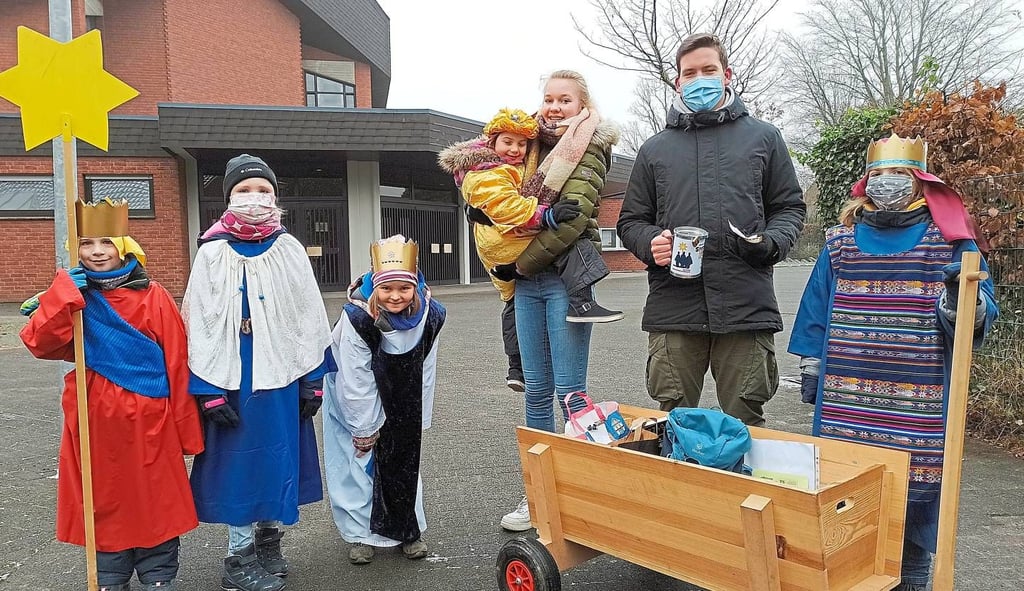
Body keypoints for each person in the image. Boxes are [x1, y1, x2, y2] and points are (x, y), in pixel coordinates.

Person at [789, 134, 998, 591]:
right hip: (845, 409)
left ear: (921, 183)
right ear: (867, 182)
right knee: (846, 516)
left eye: (899, 175)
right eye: (880, 175)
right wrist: (811, 365)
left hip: (916, 415)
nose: (888, 184)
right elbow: (815, 307)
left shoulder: (950, 243)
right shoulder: (840, 243)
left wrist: (963, 304)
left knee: (911, 523)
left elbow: (976, 309)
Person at [616, 33, 805, 427]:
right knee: (674, 421)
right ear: (677, 82)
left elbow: (789, 208)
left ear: (726, 74)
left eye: (709, 70)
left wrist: (769, 243)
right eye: (690, 73)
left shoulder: (764, 138)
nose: (699, 79)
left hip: (745, 306)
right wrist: (651, 243)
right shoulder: (655, 149)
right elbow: (630, 220)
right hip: (674, 308)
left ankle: (744, 489)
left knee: (745, 421)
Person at [19, 199, 203, 591]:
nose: (97, 251)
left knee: (155, 500)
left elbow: (177, 361)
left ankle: (158, 578)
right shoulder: (74, 296)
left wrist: (186, 430)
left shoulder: (154, 295)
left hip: (150, 418)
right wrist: (63, 295)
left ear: (124, 245)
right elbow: (40, 343)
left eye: (106, 241)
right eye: (87, 243)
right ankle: (108, 579)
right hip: (93, 419)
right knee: (102, 500)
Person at [182, 154, 334, 591]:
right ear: (228, 198)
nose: (254, 199)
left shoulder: (288, 248)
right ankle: (238, 559)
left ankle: (269, 542)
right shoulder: (212, 252)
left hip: (283, 379)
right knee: (239, 468)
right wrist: (208, 391)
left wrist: (313, 381)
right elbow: (200, 323)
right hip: (233, 380)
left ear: (275, 196)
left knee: (277, 461)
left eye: (263, 190)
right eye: (244, 191)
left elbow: (306, 315)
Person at [495, 70, 621, 532]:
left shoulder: (589, 146)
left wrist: (519, 264)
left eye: (564, 99)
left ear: (582, 105)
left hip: (562, 281)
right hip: (527, 284)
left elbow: (571, 222)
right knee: (536, 394)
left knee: (571, 393)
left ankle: (578, 493)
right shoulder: (523, 144)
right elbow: (499, 202)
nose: (553, 106)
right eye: (548, 98)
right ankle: (537, 495)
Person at [439, 107, 622, 391]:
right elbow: (508, 208)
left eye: (521, 144)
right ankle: (581, 302)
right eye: (507, 142)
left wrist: (480, 212)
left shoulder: (499, 165)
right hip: (509, 242)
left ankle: (516, 366)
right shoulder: (488, 170)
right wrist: (545, 215)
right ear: (491, 142)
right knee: (571, 248)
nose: (515, 149)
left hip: (503, 245)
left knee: (511, 303)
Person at [322, 235, 445, 565]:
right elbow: (354, 375)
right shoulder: (357, 318)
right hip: (354, 393)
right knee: (359, 462)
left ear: (415, 287)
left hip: (404, 395)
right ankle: (361, 533)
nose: (395, 297)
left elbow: (427, 364)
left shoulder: (431, 315)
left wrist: (420, 414)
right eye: (386, 289)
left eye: (403, 289)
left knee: (405, 460)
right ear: (374, 286)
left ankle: (407, 527)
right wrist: (364, 425)